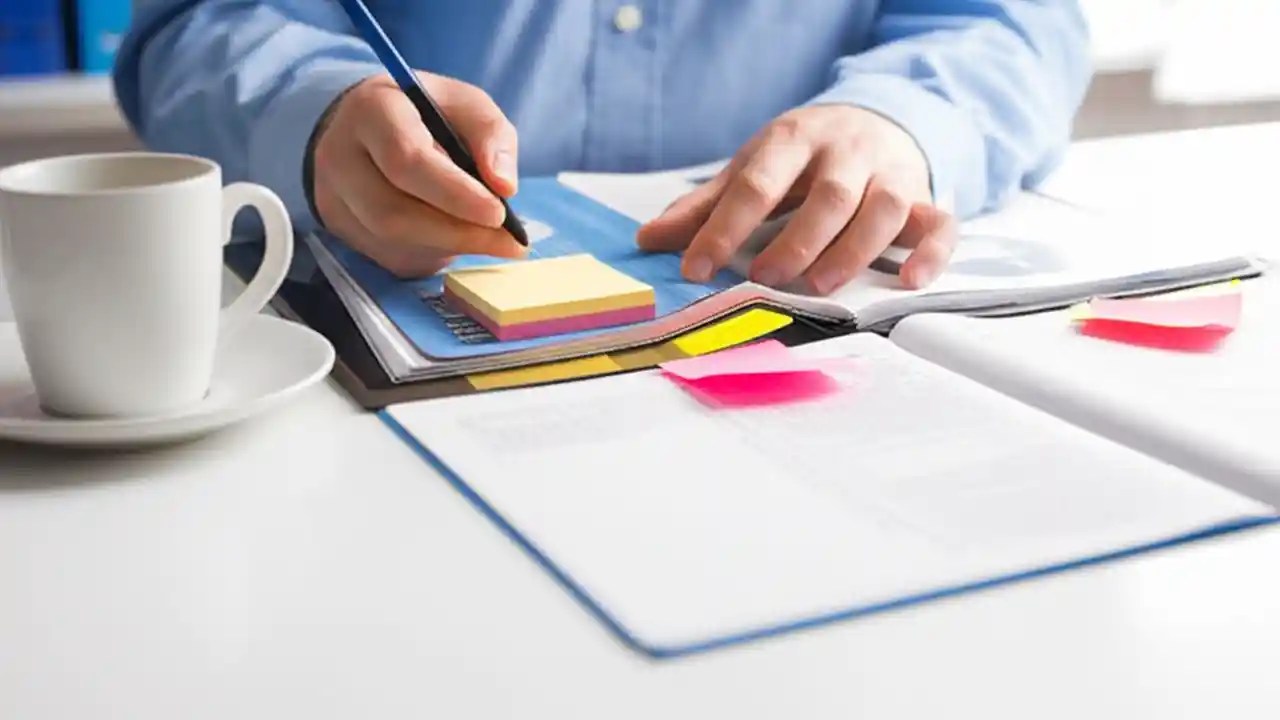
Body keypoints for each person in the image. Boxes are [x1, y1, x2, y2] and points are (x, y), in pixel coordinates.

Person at [114, 1, 1090, 296]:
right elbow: (194, 28)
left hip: (818, 337)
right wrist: (315, 111)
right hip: (373, 374)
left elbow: (1010, 23)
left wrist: (903, 119)